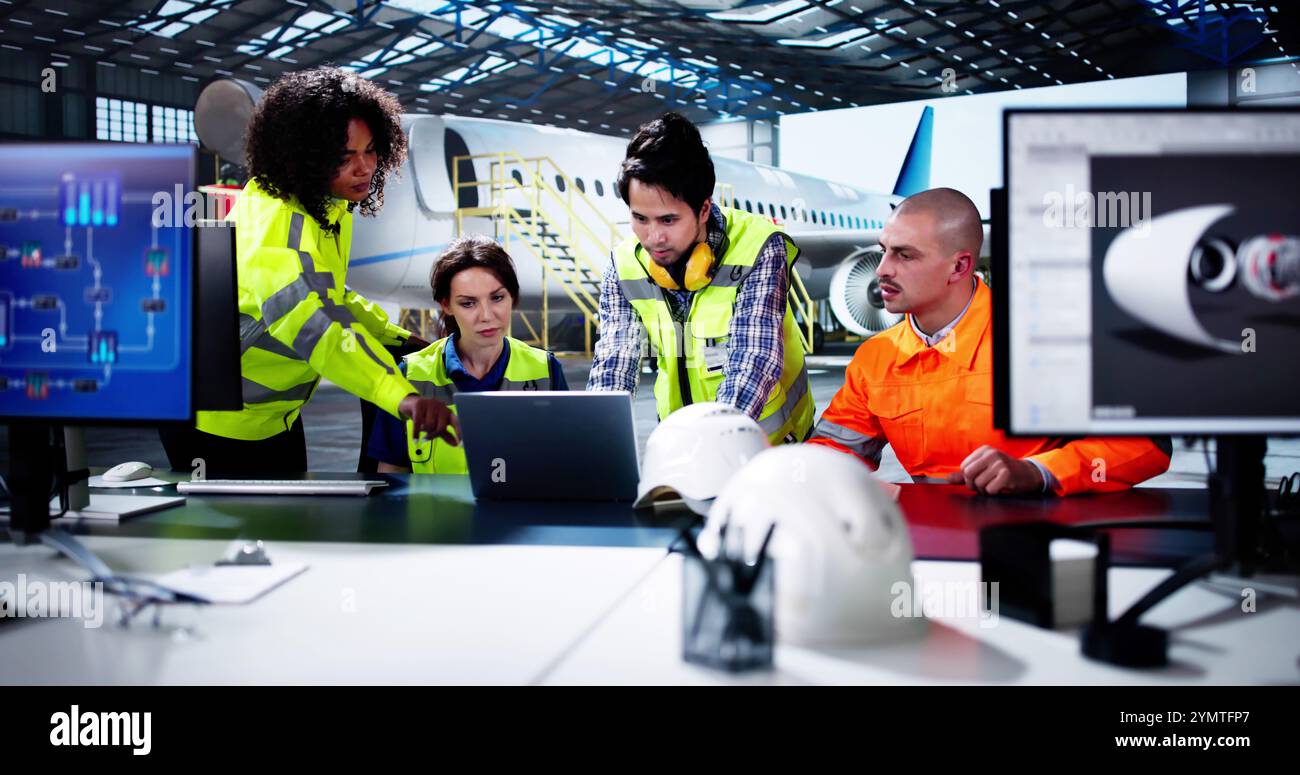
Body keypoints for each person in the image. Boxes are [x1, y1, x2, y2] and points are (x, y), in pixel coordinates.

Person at [160, 67, 453, 477]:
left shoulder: (327, 206)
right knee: (230, 539)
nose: (364, 167)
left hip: (274, 414)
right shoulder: (276, 219)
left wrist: (400, 340)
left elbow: (332, 294)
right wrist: (401, 396)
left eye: (370, 150)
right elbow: (313, 319)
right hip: (218, 423)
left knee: (285, 530)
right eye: (344, 156)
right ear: (305, 154)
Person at [808, 187, 1171, 495]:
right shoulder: (875, 359)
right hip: (940, 539)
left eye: (904, 255)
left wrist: (1040, 473)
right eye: (884, 249)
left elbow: (1147, 446)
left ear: (960, 267)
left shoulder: (1045, 339)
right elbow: (828, 455)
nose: (882, 269)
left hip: (1042, 538)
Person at [586, 111, 814, 444]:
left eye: (668, 220)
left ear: (704, 210)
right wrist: (593, 441)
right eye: (639, 218)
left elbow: (753, 360)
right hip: (681, 444)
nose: (652, 238)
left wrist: (715, 445)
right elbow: (614, 363)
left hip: (771, 447)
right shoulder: (623, 263)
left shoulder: (760, 246)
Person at [369, 236, 569, 474]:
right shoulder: (409, 376)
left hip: (521, 513)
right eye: (468, 303)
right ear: (446, 305)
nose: (486, 315)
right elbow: (391, 483)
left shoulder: (546, 371)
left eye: (497, 298)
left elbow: (563, 468)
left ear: (512, 297)